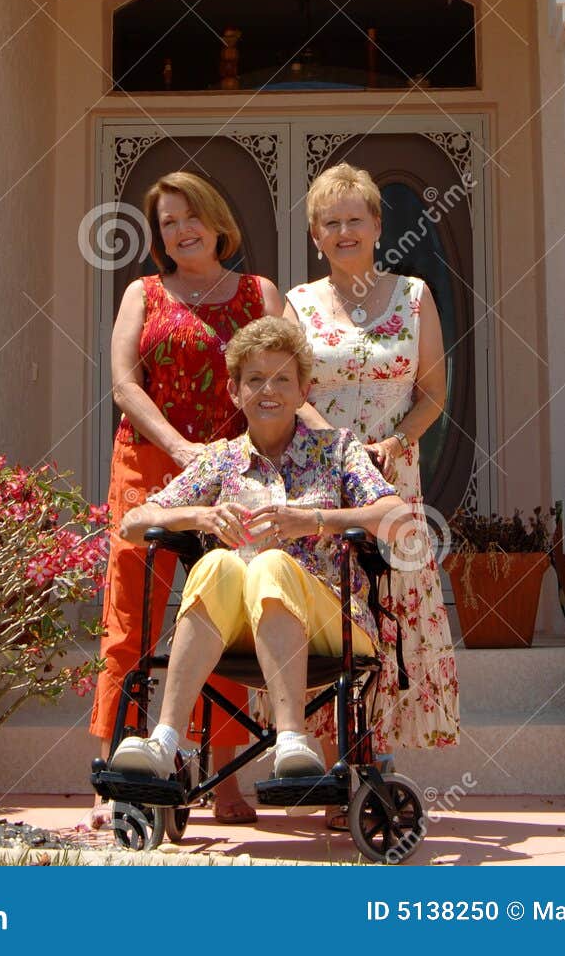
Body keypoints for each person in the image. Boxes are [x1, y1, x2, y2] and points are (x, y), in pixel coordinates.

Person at [110, 314, 406, 782]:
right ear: (235, 391)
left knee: (271, 564)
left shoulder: (337, 448)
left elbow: (398, 517)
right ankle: (164, 742)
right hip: (239, 630)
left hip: (335, 626)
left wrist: (313, 521)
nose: (269, 390)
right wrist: (198, 516)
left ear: (303, 390)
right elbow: (133, 523)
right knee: (215, 565)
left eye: (282, 379)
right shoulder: (220, 459)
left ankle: (291, 739)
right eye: (255, 379)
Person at [89, 171, 282, 827]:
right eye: (167, 222)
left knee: (222, 619)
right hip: (146, 469)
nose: (180, 230)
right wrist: (177, 446)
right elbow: (123, 383)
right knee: (130, 622)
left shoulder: (259, 293)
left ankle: (226, 782)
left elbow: (285, 380)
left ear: (217, 220)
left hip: (232, 477)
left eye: (189, 216)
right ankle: (116, 774)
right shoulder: (142, 293)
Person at [285, 162, 460, 764]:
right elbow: (288, 393)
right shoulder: (299, 305)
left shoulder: (415, 297)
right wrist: (337, 445)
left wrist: (399, 439)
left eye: (354, 219)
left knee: (386, 611)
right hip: (320, 483)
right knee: (329, 615)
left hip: (392, 480)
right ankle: (327, 756)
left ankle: (372, 754)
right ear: (315, 237)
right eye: (330, 223)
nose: (344, 231)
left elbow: (433, 392)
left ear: (378, 225)